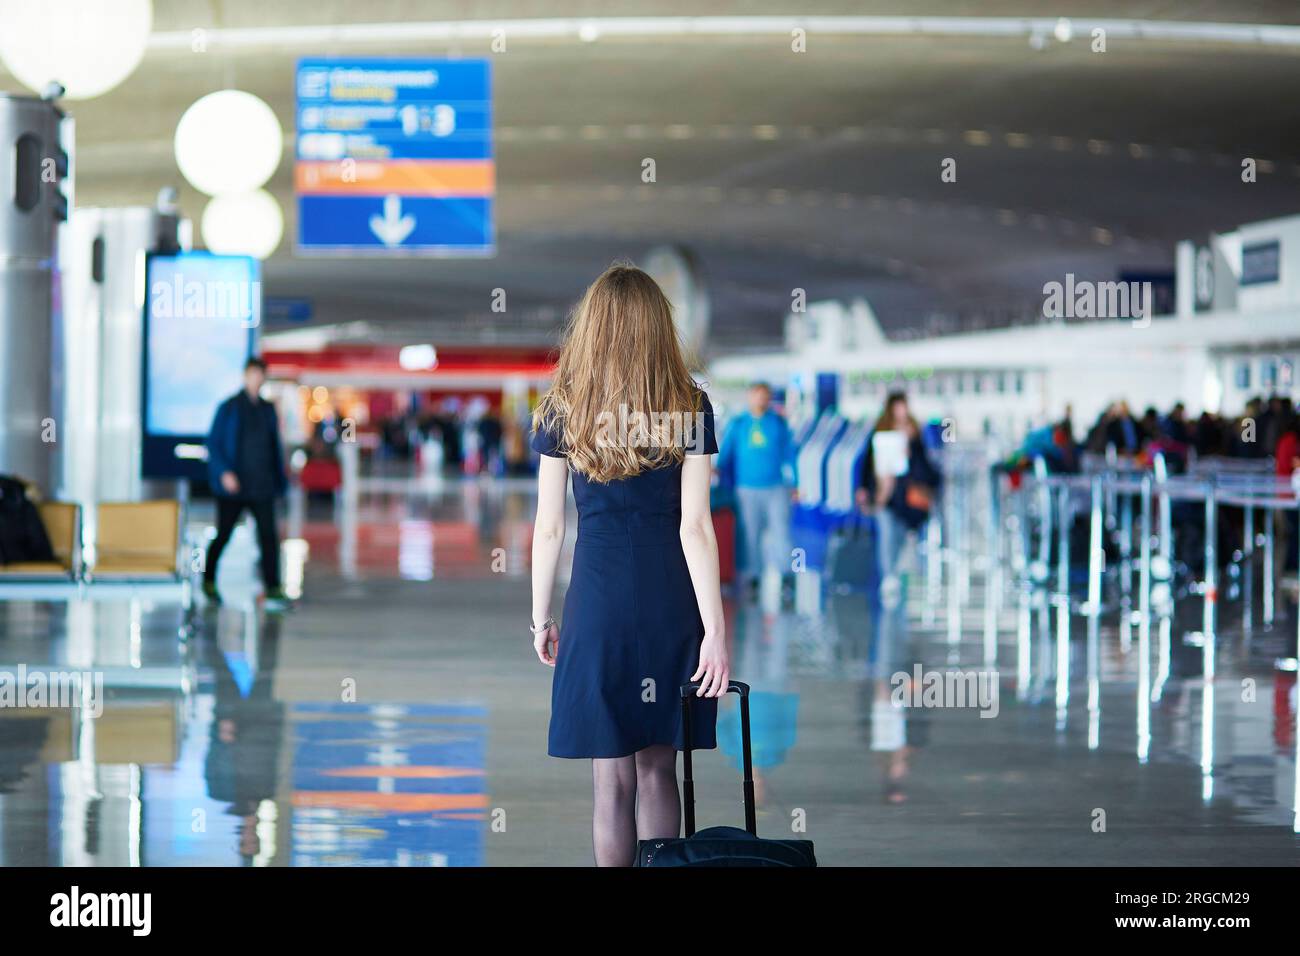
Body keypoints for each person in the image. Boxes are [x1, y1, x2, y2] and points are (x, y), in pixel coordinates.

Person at [529, 263, 728, 867]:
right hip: (671, 600)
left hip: (598, 601)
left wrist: (542, 618)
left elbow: (549, 528)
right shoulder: (689, 405)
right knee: (658, 771)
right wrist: (715, 632)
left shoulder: (565, 408)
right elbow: (695, 527)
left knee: (611, 783)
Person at [204, 357, 290, 609]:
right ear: (245, 376)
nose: (257, 379)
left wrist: (279, 479)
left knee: (268, 537)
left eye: (260, 374)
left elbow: (274, 446)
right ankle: (208, 579)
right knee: (224, 534)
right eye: (253, 374)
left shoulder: (267, 409)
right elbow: (214, 443)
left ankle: (273, 587)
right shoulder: (229, 408)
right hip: (235, 487)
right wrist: (225, 473)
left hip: (262, 484)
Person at [855, 391, 941, 608]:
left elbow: (924, 465)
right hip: (884, 493)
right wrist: (863, 488)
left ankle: (895, 571)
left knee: (901, 535)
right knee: (886, 534)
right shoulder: (879, 432)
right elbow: (867, 463)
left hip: (907, 495)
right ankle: (888, 576)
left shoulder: (914, 434)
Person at [717, 381, 797, 596]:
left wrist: (794, 484)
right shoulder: (738, 424)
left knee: (781, 532)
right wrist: (715, 470)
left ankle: (787, 575)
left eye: (765, 396)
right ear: (749, 397)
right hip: (746, 489)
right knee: (750, 534)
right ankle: (753, 577)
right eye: (757, 395)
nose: (761, 400)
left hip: (776, 487)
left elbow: (790, 455)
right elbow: (725, 453)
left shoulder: (778, 424)